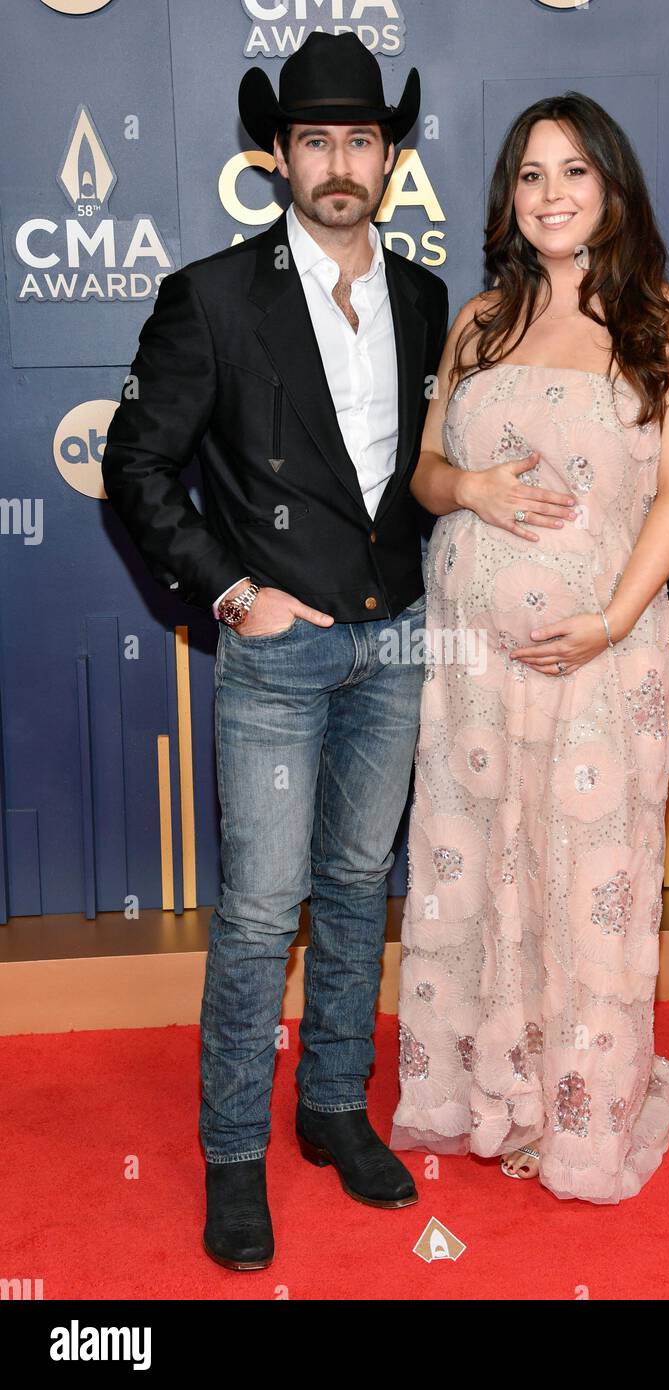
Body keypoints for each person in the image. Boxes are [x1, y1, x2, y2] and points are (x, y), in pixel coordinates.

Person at [101, 32, 449, 1269]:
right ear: (278, 156)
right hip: (277, 651)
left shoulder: (421, 296)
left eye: (362, 139)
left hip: (394, 638)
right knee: (257, 914)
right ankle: (233, 1152)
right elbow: (133, 466)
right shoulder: (211, 295)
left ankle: (334, 1108)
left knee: (359, 888)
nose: (340, 162)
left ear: (390, 158)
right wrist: (230, 589)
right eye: (316, 141)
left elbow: (415, 474)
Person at [389, 92, 669, 1202]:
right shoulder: (477, 322)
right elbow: (426, 474)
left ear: (612, 187)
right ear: (507, 199)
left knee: (579, 880)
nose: (551, 195)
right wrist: (471, 487)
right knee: (476, 871)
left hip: (595, 666)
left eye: (573, 172)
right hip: (473, 675)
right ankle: (488, 1088)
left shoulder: (668, 322)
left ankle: (575, 1106)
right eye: (529, 176)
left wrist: (612, 621)